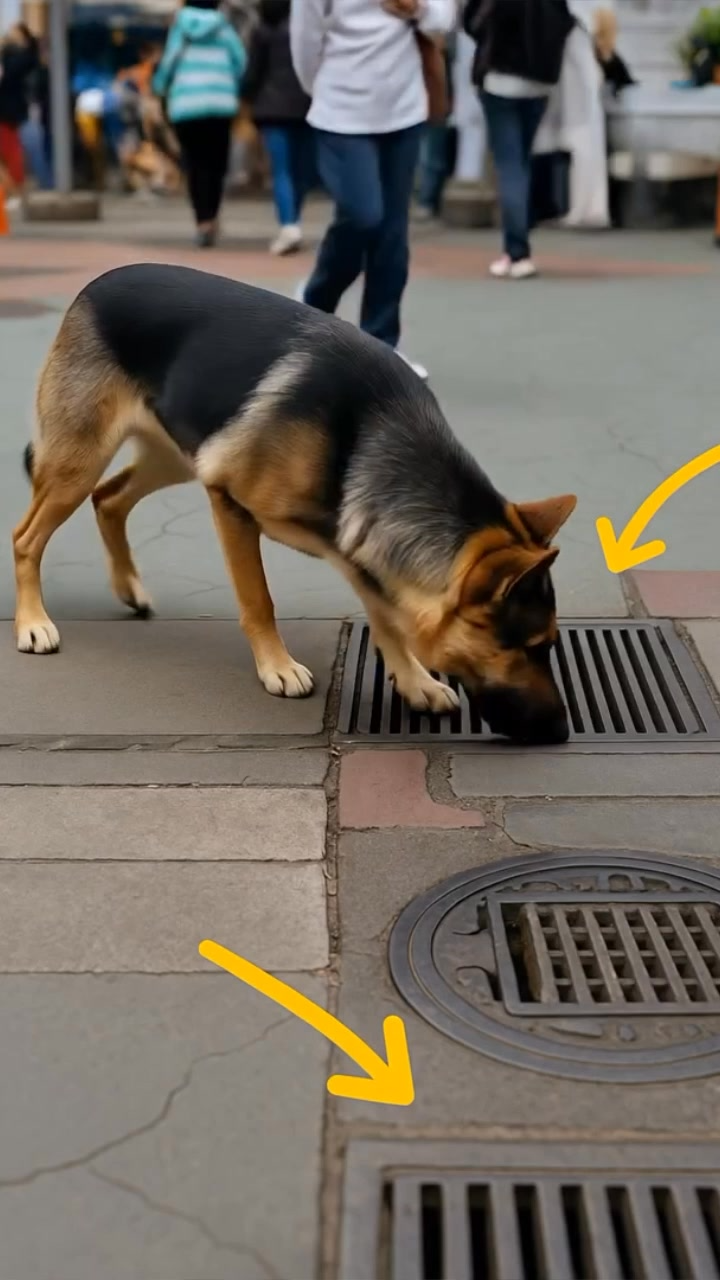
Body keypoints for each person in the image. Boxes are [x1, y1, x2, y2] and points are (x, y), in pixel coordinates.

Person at [290, 0, 455, 381]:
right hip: (340, 110)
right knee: (363, 215)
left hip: (404, 109)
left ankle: (382, 346)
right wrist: (323, 90)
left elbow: (444, 16)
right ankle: (316, 298)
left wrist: (418, 9)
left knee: (392, 233)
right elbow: (305, 41)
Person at [464, 0, 574, 280]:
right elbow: (565, 22)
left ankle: (517, 251)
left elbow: (472, 21)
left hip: (500, 76)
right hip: (539, 79)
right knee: (521, 161)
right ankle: (516, 247)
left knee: (510, 165)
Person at [153, 0, 246, 247]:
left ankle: (202, 222)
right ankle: (213, 217)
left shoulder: (180, 27)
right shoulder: (224, 28)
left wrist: (159, 87)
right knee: (216, 164)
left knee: (194, 165)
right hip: (219, 103)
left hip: (186, 105)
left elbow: (169, 63)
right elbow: (240, 62)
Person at [243, 0, 312, 255]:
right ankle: (294, 221)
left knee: (281, 170)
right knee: (301, 172)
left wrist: (247, 98)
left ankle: (289, 224)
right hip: (307, 106)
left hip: (272, 108)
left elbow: (252, 73)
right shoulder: (306, 29)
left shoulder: (262, 32)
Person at [0, 23, 39, 207]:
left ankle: (15, 191)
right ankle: (13, 191)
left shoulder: (19, 58)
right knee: (10, 152)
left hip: (9, 113)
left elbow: (10, 74)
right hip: (9, 112)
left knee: (11, 152)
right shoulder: (15, 57)